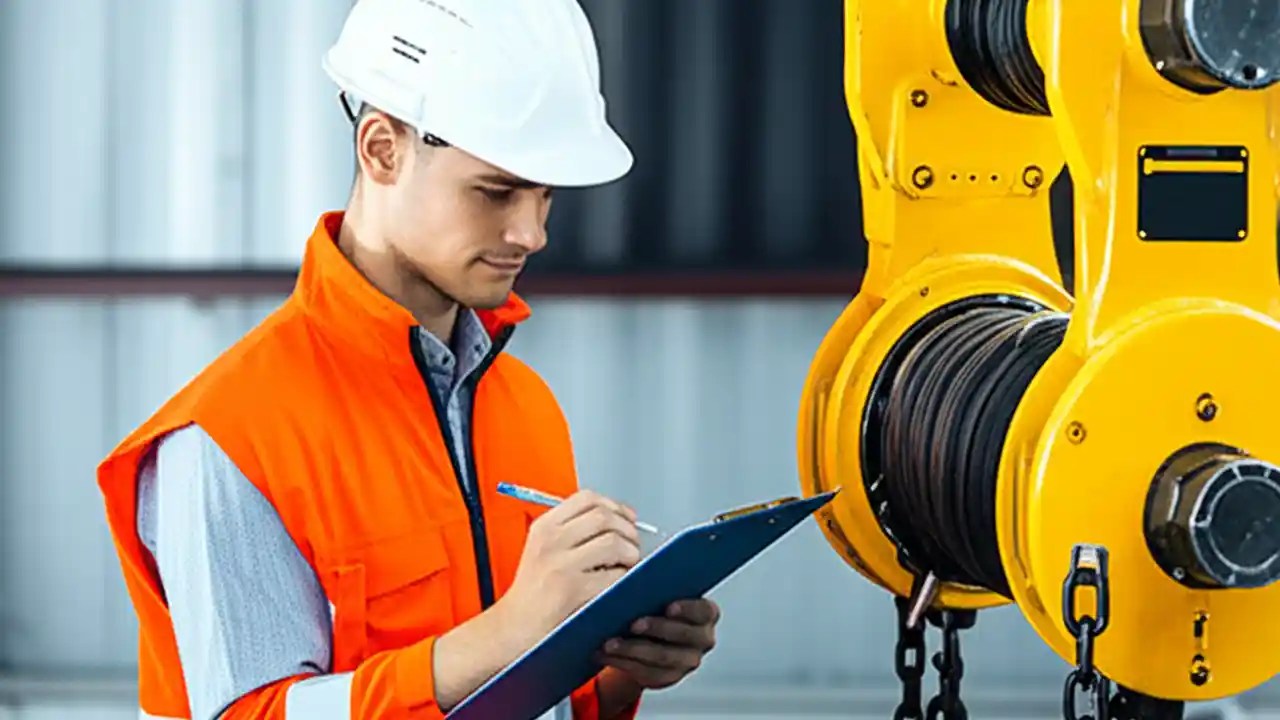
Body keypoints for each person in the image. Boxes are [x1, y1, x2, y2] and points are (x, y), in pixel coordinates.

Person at [95, 0, 721, 718]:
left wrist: (623, 668)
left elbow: (546, 699)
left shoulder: (525, 406)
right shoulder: (231, 436)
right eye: (496, 191)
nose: (531, 232)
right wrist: (507, 633)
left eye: (545, 196)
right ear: (382, 149)